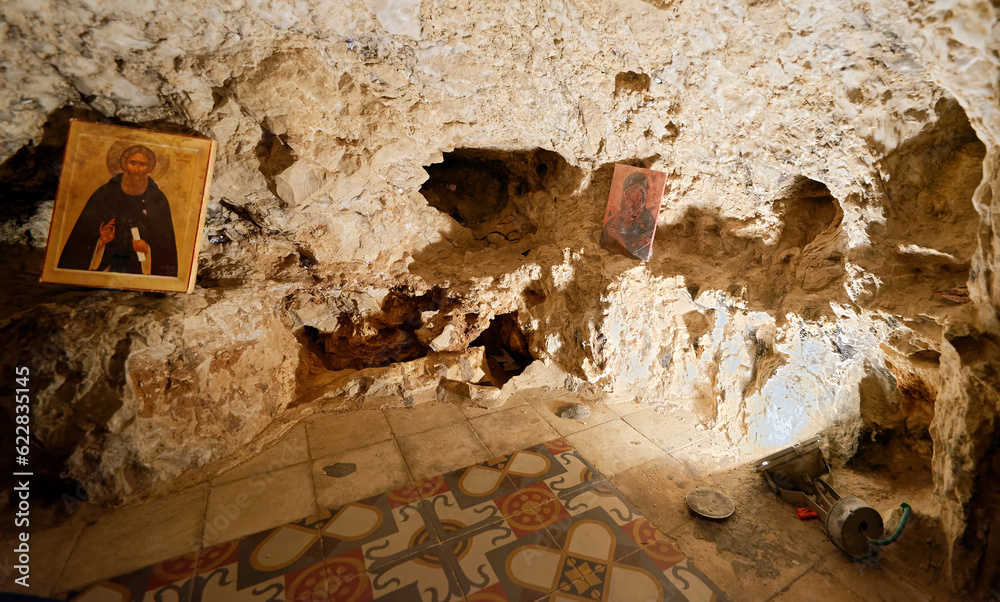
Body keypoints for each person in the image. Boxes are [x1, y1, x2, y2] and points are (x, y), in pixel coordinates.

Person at [58, 145, 178, 277]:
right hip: (104, 266)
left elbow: (165, 243)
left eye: (143, 164)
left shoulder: (156, 198)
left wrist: (147, 249)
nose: (137, 169)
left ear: (150, 168)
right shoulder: (105, 193)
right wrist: (101, 241)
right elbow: (83, 235)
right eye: (133, 163)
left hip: (139, 269)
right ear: (124, 164)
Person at [601, 171, 657, 261]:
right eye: (630, 198)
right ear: (624, 198)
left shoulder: (647, 219)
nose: (634, 205)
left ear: (644, 200)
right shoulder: (619, 217)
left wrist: (623, 242)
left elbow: (642, 251)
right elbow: (606, 239)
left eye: (639, 200)